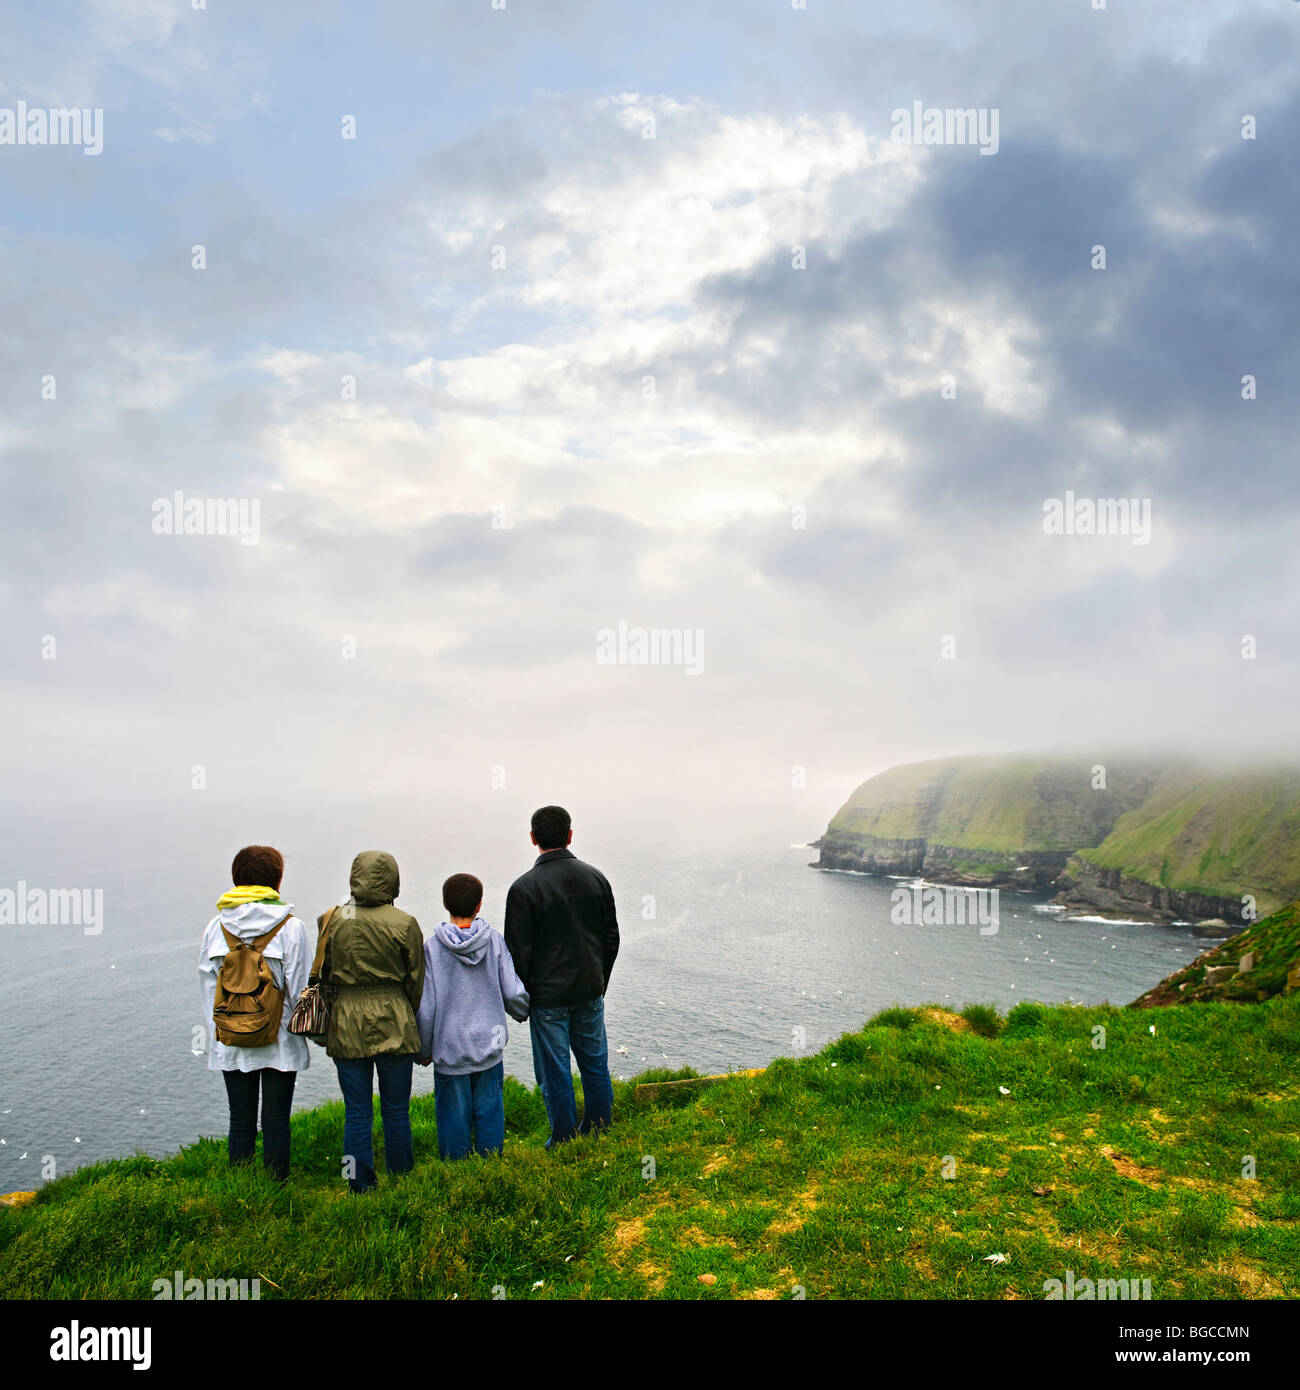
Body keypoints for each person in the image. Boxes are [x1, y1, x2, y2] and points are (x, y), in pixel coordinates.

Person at [504, 806, 619, 1147]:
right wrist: (600, 980)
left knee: (554, 1073)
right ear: (570, 835)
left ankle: (565, 1139)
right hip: (589, 989)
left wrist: (526, 999)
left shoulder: (523, 889)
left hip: (547, 998)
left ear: (533, 838)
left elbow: (517, 952)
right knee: (595, 1064)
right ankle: (599, 1129)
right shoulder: (596, 878)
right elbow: (610, 938)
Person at [197, 845, 310, 1183]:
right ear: (277, 879)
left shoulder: (215, 928)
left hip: (231, 1036)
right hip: (279, 1039)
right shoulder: (291, 927)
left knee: (240, 1118)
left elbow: (207, 987)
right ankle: (275, 1189)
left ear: (237, 880)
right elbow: (300, 987)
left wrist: (222, 1030)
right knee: (276, 1120)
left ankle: (241, 1192)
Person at [319, 851, 425, 1193]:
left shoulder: (332, 919)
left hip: (347, 1019)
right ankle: (401, 1176)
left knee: (357, 1112)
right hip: (394, 1014)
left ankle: (359, 1184)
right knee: (396, 1108)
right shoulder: (404, 922)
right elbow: (416, 980)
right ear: (393, 880)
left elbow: (324, 974)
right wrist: (406, 1011)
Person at [415, 873, 530, 1159]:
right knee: (490, 1112)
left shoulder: (432, 948)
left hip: (449, 1049)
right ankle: (490, 1168)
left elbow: (426, 1009)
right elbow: (513, 993)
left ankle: (457, 1174)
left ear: (445, 903)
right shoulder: (493, 942)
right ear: (479, 905)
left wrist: (424, 1050)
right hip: (489, 1046)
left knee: (453, 1119)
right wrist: (524, 1012)